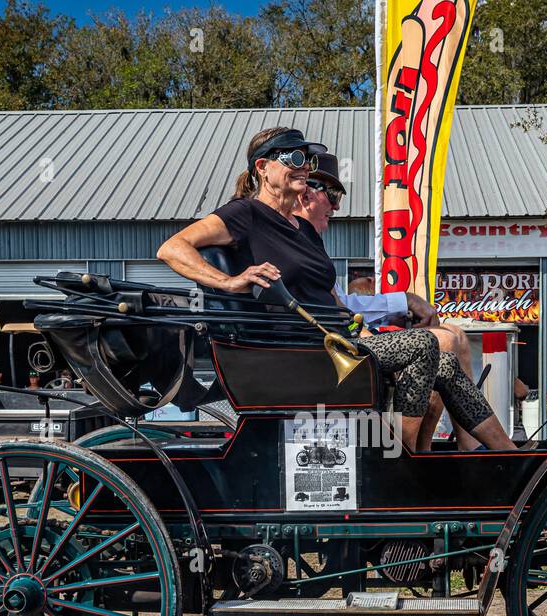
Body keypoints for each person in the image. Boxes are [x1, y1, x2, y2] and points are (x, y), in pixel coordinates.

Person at [156, 126, 515, 451]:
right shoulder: (245, 214)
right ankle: (399, 462)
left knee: (448, 363)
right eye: (294, 158)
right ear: (263, 168)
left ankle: (508, 460)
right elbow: (172, 248)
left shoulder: (304, 230)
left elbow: (330, 297)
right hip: (298, 356)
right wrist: (230, 280)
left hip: (334, 344)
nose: (304, 168)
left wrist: (364, 320)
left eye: (307, 161)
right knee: (423, 343)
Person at [294, 150, 496, 449]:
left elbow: (337, 303)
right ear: (306, 192)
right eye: (333, 195)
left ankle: (462, 447)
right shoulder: (295, 237)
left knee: (455, 335)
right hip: (326, 347)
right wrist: (393, 307)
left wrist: (401, 303)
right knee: (441, 342)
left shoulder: (306, 240)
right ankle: (416, 452)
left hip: (337, 337)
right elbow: (333, 308)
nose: (336, 207)